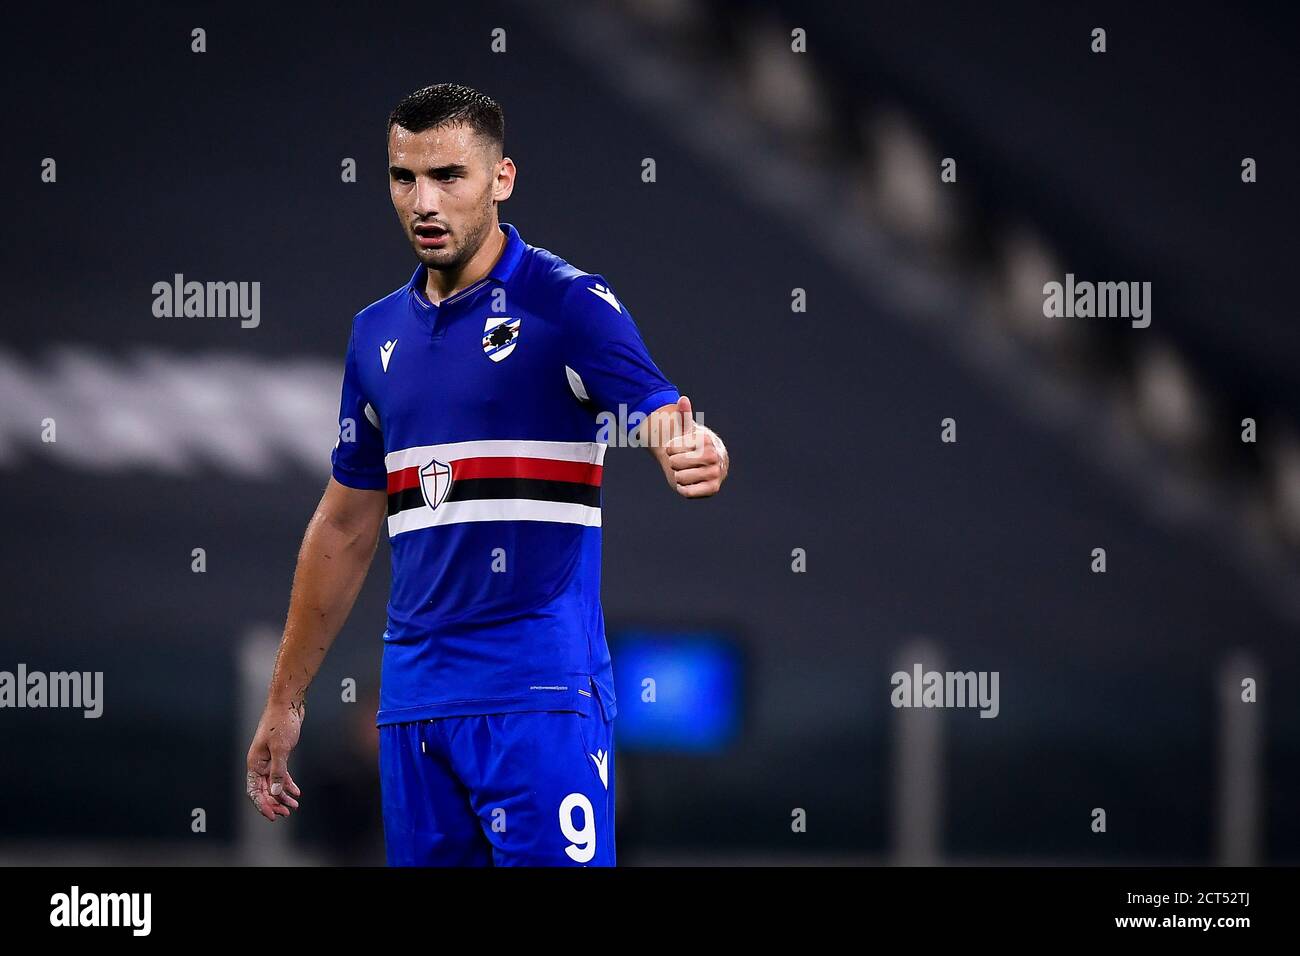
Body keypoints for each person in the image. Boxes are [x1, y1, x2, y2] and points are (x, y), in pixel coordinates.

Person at [244, 83, 729, 866]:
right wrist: (285, 699)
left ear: (502, 179)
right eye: (404, 177)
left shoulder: (568, 304)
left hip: (537, 701)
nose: (423, 201)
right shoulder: (375, 337)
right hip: (415, 709)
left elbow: (661, 408)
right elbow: (343, 524)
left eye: (449, 176)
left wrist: (692, 445)